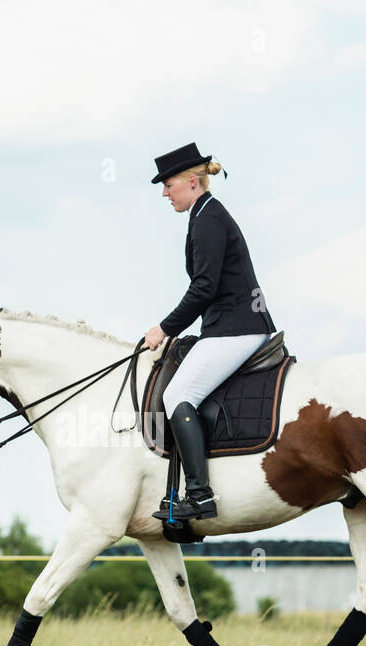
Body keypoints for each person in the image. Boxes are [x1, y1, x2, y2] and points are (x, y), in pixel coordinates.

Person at [144, 142, 276, 522]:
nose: (164, 193)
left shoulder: (208, 220)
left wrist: (165, 328)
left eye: (167, 185)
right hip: (229, 325)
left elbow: (204, 288)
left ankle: (200, 495)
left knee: (178, 394)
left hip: (237, 328)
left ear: (191, 181)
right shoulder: (203, 215)